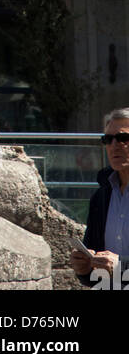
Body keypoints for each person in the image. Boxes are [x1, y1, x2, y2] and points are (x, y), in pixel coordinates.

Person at [70, 106, 129, 288]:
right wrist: (84, 268)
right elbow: (94, 274)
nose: (114, 145)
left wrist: (121, 266)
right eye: (108, 139)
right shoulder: (101, 196)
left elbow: (117, 266)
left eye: (122, 138)